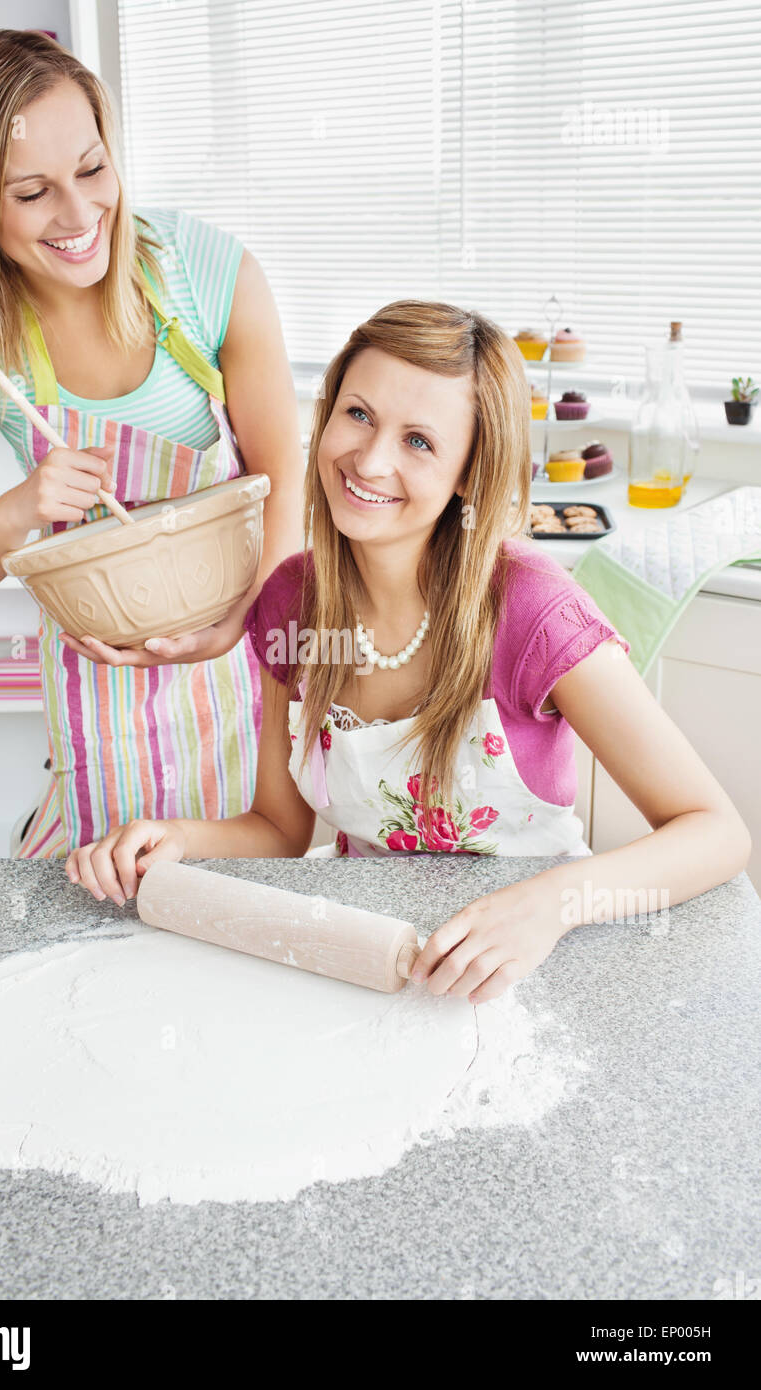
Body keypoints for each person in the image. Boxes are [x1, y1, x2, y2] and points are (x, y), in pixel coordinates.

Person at [65, 301, 751, 1000]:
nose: (370, 460)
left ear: (466, 474)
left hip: (536, 958)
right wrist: (176, 840)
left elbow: (716, 833)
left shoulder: (535, 614)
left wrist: (551, 904)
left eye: (419, 441)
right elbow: (279, 829)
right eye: (358, 414)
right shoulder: (291, 606)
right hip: (370, 957)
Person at [0, 30, 302, 858]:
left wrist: (244, 624)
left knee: (250, 898)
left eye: (92, 170)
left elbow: (286, 485)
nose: (80, 215)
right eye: (32, 192)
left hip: (242, 662)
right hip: (101, 698)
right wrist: (23, 507)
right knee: (114, 902)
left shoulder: (205, 272)